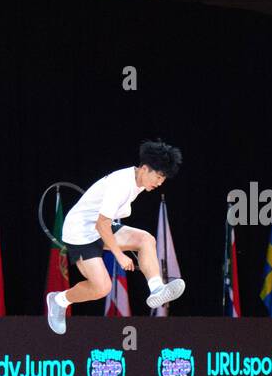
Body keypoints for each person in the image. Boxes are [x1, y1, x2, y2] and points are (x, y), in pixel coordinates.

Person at [46, 140, 185, 334]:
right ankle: (58, 300)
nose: (159, 183)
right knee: (101, 288)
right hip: (80, 232)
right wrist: (119, 255)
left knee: (146, 240)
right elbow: (101, 225)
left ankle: (156, 289)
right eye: (159, 176)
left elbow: (104, 223)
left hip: (101, 225)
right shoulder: (121, 184)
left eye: (163, 179)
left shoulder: (141, 182)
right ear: (144, 168)